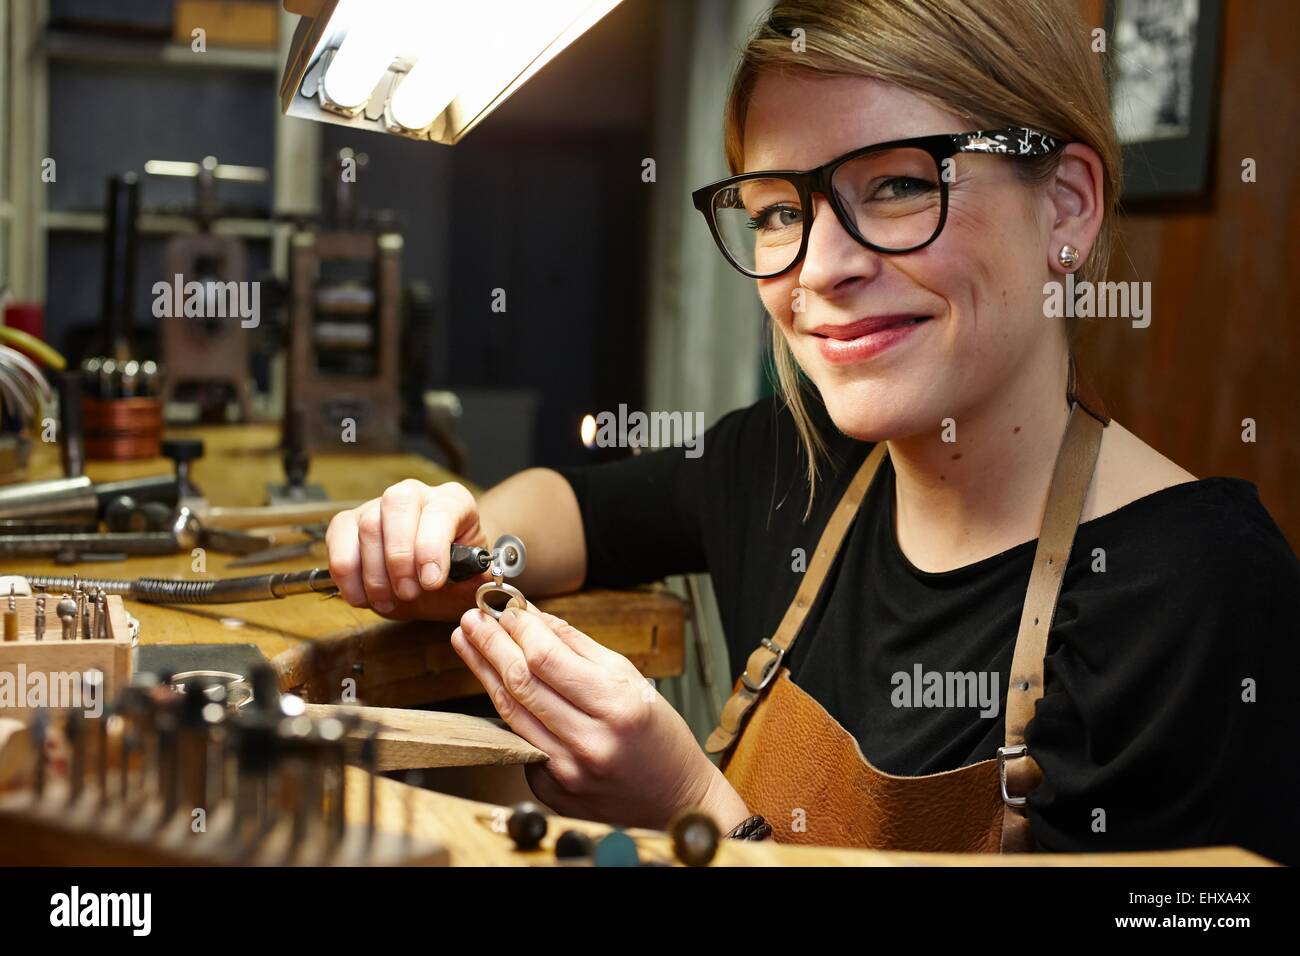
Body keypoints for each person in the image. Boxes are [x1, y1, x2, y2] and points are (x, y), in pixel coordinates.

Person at [325, 0, 1300, 863]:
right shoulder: (791, 467)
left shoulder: (1197, 587)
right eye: (779, 210)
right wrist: (447, 538)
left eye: (897, 184)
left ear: (1067, 206)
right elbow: (569, 504)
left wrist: (695, 808)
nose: (820, 267)